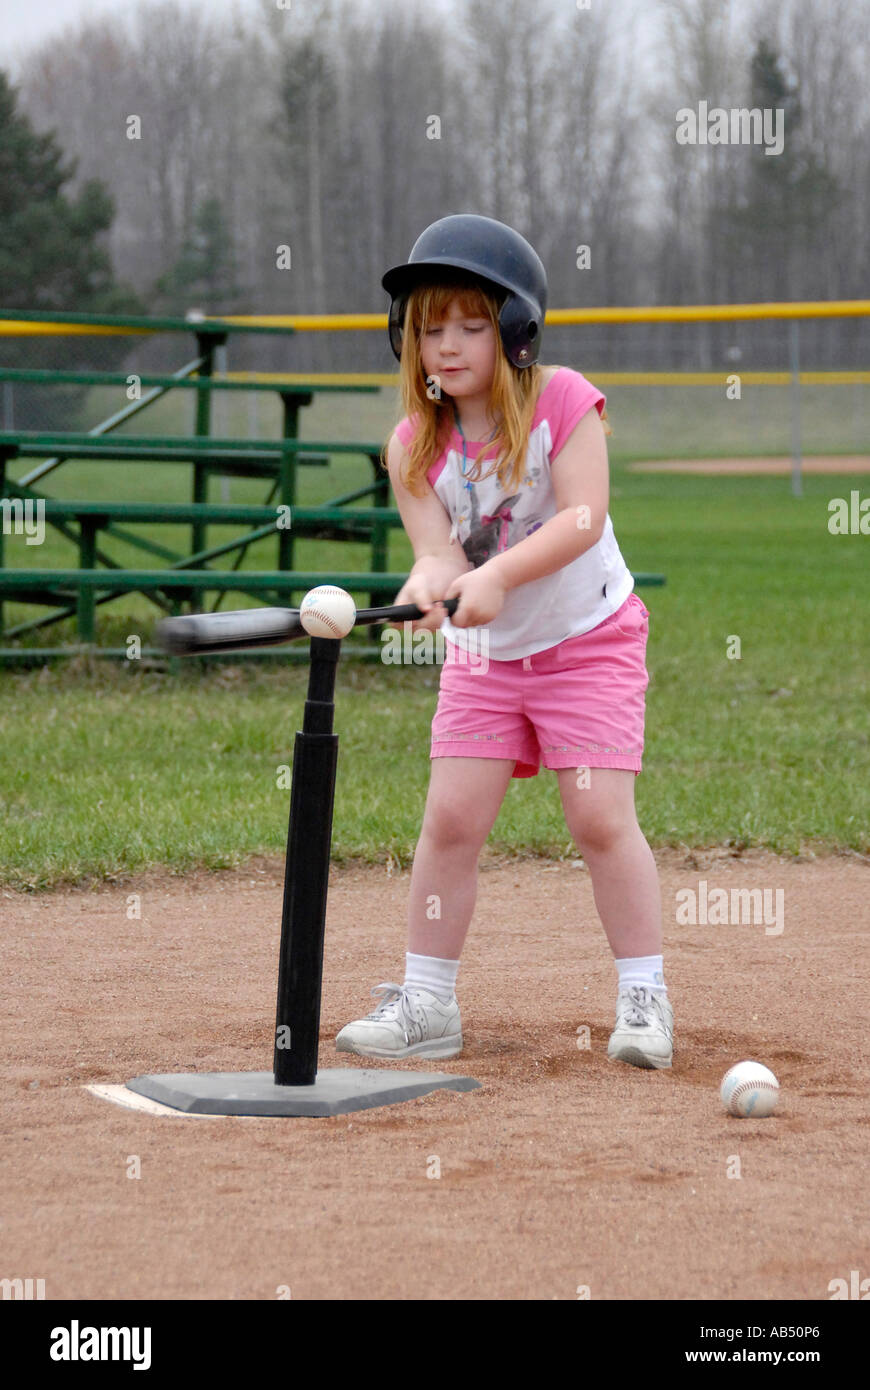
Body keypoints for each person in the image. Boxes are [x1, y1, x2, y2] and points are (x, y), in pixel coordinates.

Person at [335, 214, 673, 1070]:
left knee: (599, 818)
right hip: (488, 657)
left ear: (515, 331)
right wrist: (429, 586)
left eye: (470, 325)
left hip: (586, 638)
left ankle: (643, 999)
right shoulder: (413, 445)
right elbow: (439, 552)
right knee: (450, 820)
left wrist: (495, 578)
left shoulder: (563, 399)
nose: (446, 346)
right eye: (429, 327)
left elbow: (583, 516)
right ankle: (428, 1003)